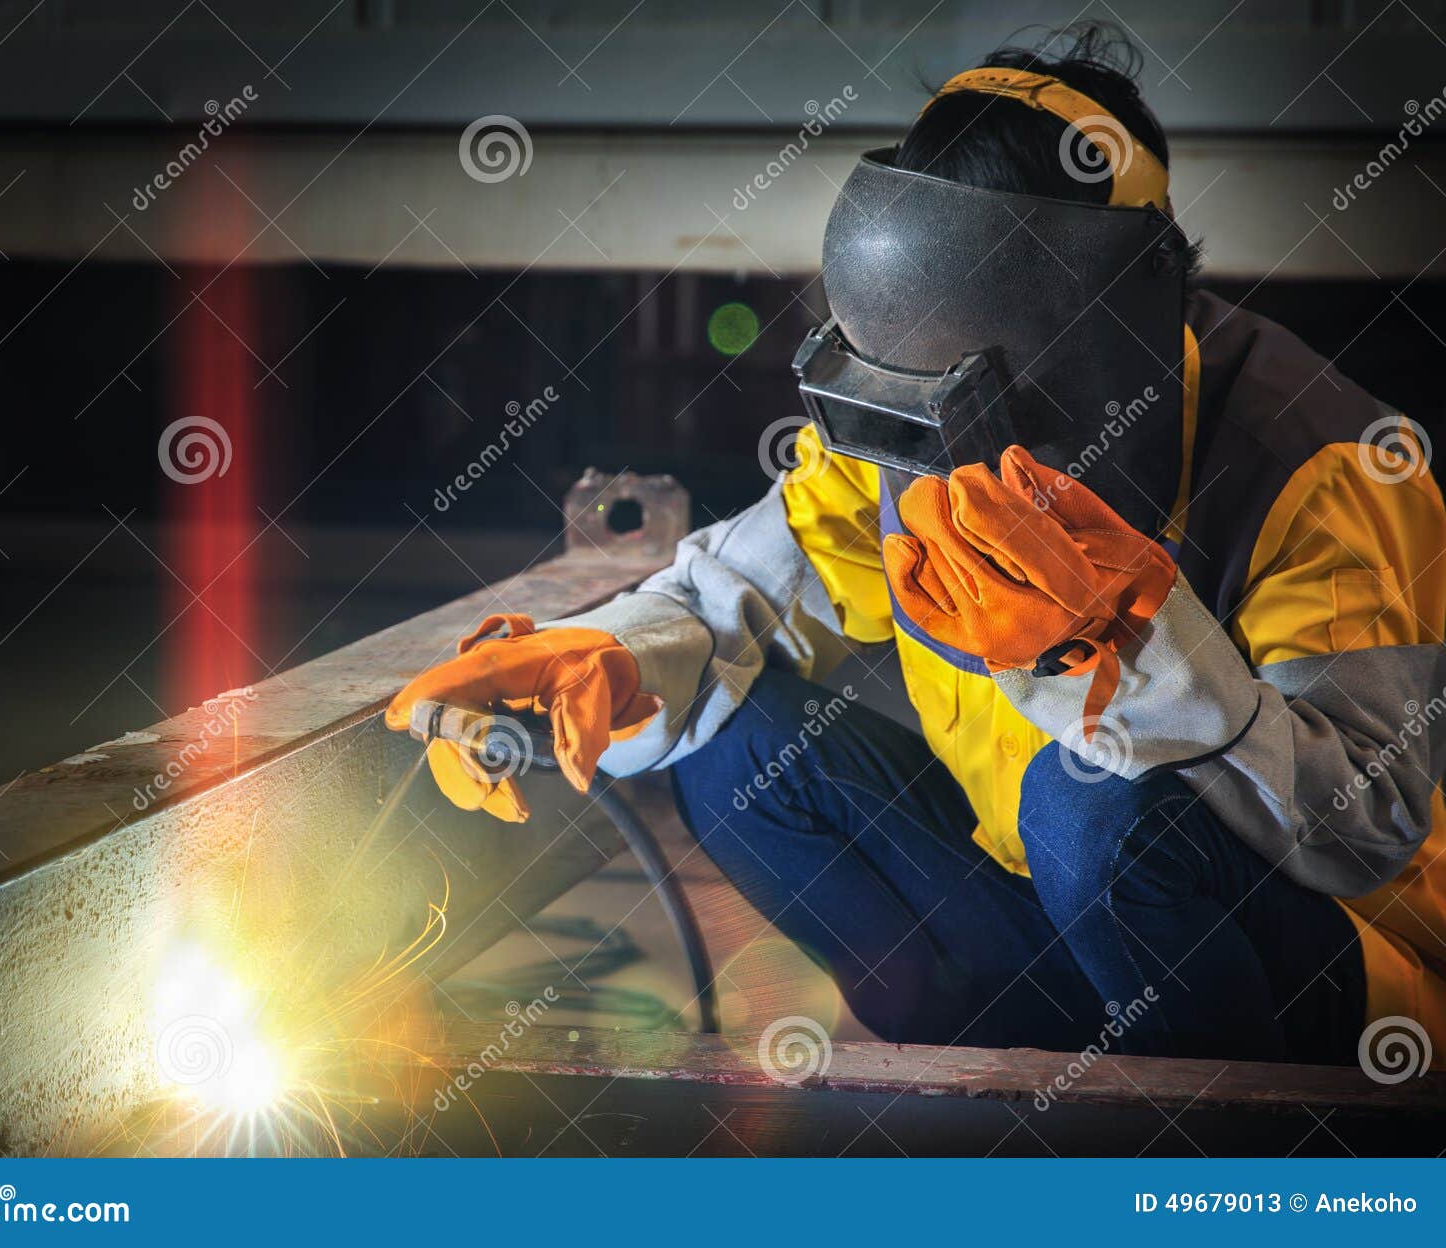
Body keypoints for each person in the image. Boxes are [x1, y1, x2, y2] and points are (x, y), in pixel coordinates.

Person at [388, 26, 1446, 1067]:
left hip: (1318, 979)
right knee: (741, 751)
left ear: (1096, 314)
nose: (935, 441)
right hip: (1057, 930)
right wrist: (610, 654)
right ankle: (1019, 1098)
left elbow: (1361, 830)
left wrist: (1124, 657)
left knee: (1094, 801)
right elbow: (737, 604)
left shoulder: (1323, 470)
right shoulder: (898, 428)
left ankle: (1197, 1161)